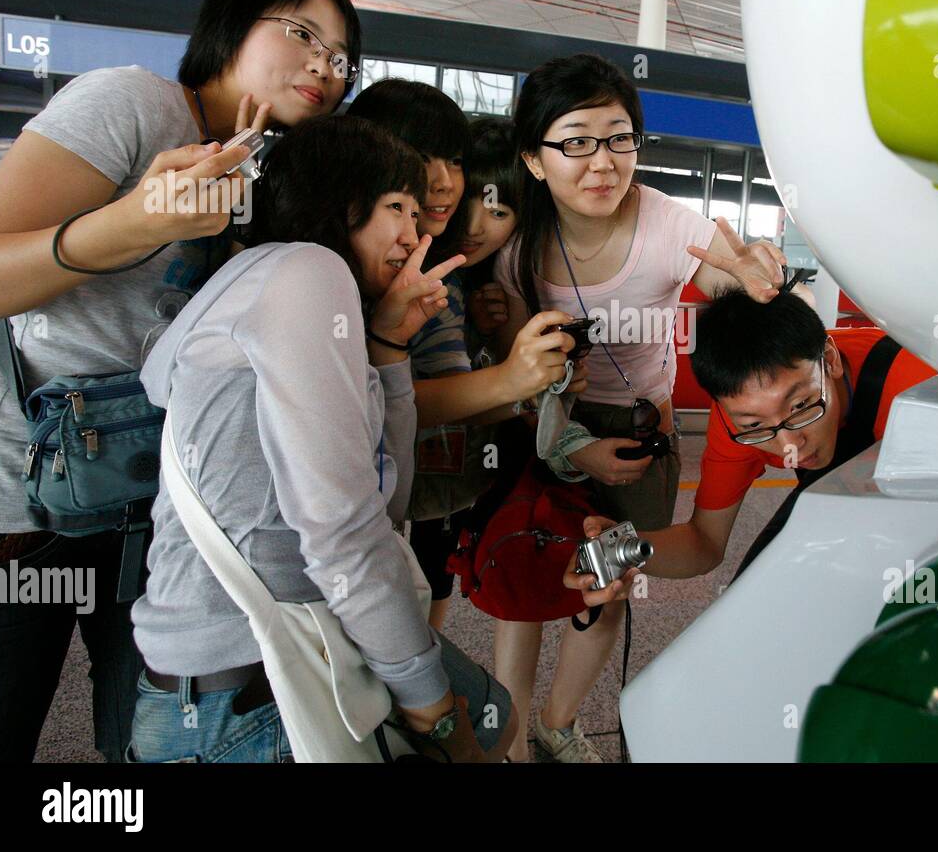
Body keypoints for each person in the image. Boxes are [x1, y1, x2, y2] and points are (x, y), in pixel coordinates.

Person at [0, 0, 358, 763]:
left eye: (339, 57)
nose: (322, 66)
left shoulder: (272, 174)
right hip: (24, 509)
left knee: (146, 743)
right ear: (228, 29)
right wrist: (130, 225)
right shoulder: (134, 103)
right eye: (302, 33)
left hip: (160, 519)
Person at [129, 114, 516, 763]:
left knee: (492, 712)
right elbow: (344, 528)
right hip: (254, 698)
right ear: (340, 198)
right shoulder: (305, 272)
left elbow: (383, 507)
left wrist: (390, 343)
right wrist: (432, 708)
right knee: (478, 720)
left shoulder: (267, 283)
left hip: (228, 685)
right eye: (397, 206)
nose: (414, 232)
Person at [489, 52, 787, 762]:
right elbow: (513, 375)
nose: (603, 163)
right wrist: (569, 447)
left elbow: (722, 270)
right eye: (577, 141)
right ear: (535, 160)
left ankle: (558, 723)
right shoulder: (515, 248)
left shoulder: (664, 222)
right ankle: (506, 740)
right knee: (528, 586)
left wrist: (749, 274)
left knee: (609, 583)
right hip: (548, 428)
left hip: (641, 435)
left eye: (620, 137)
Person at [346, 89, 580, 631]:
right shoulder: (406, 272)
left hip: (438, 476)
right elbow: (407, 393)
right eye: (429, 161)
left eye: (497, 210)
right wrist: (518, 385)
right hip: (373, 481)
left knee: (429, 567)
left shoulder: (476, 281)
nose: (471, 220)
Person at [566, 288, 938, 604]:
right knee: (758, 592)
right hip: (840, 485)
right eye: (756, 426)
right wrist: (625, 549)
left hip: (931, 492)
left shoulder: (921, 384)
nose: (791, 444)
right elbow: (704, 543)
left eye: (801, 407)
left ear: (829, 360)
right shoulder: (735, 423)